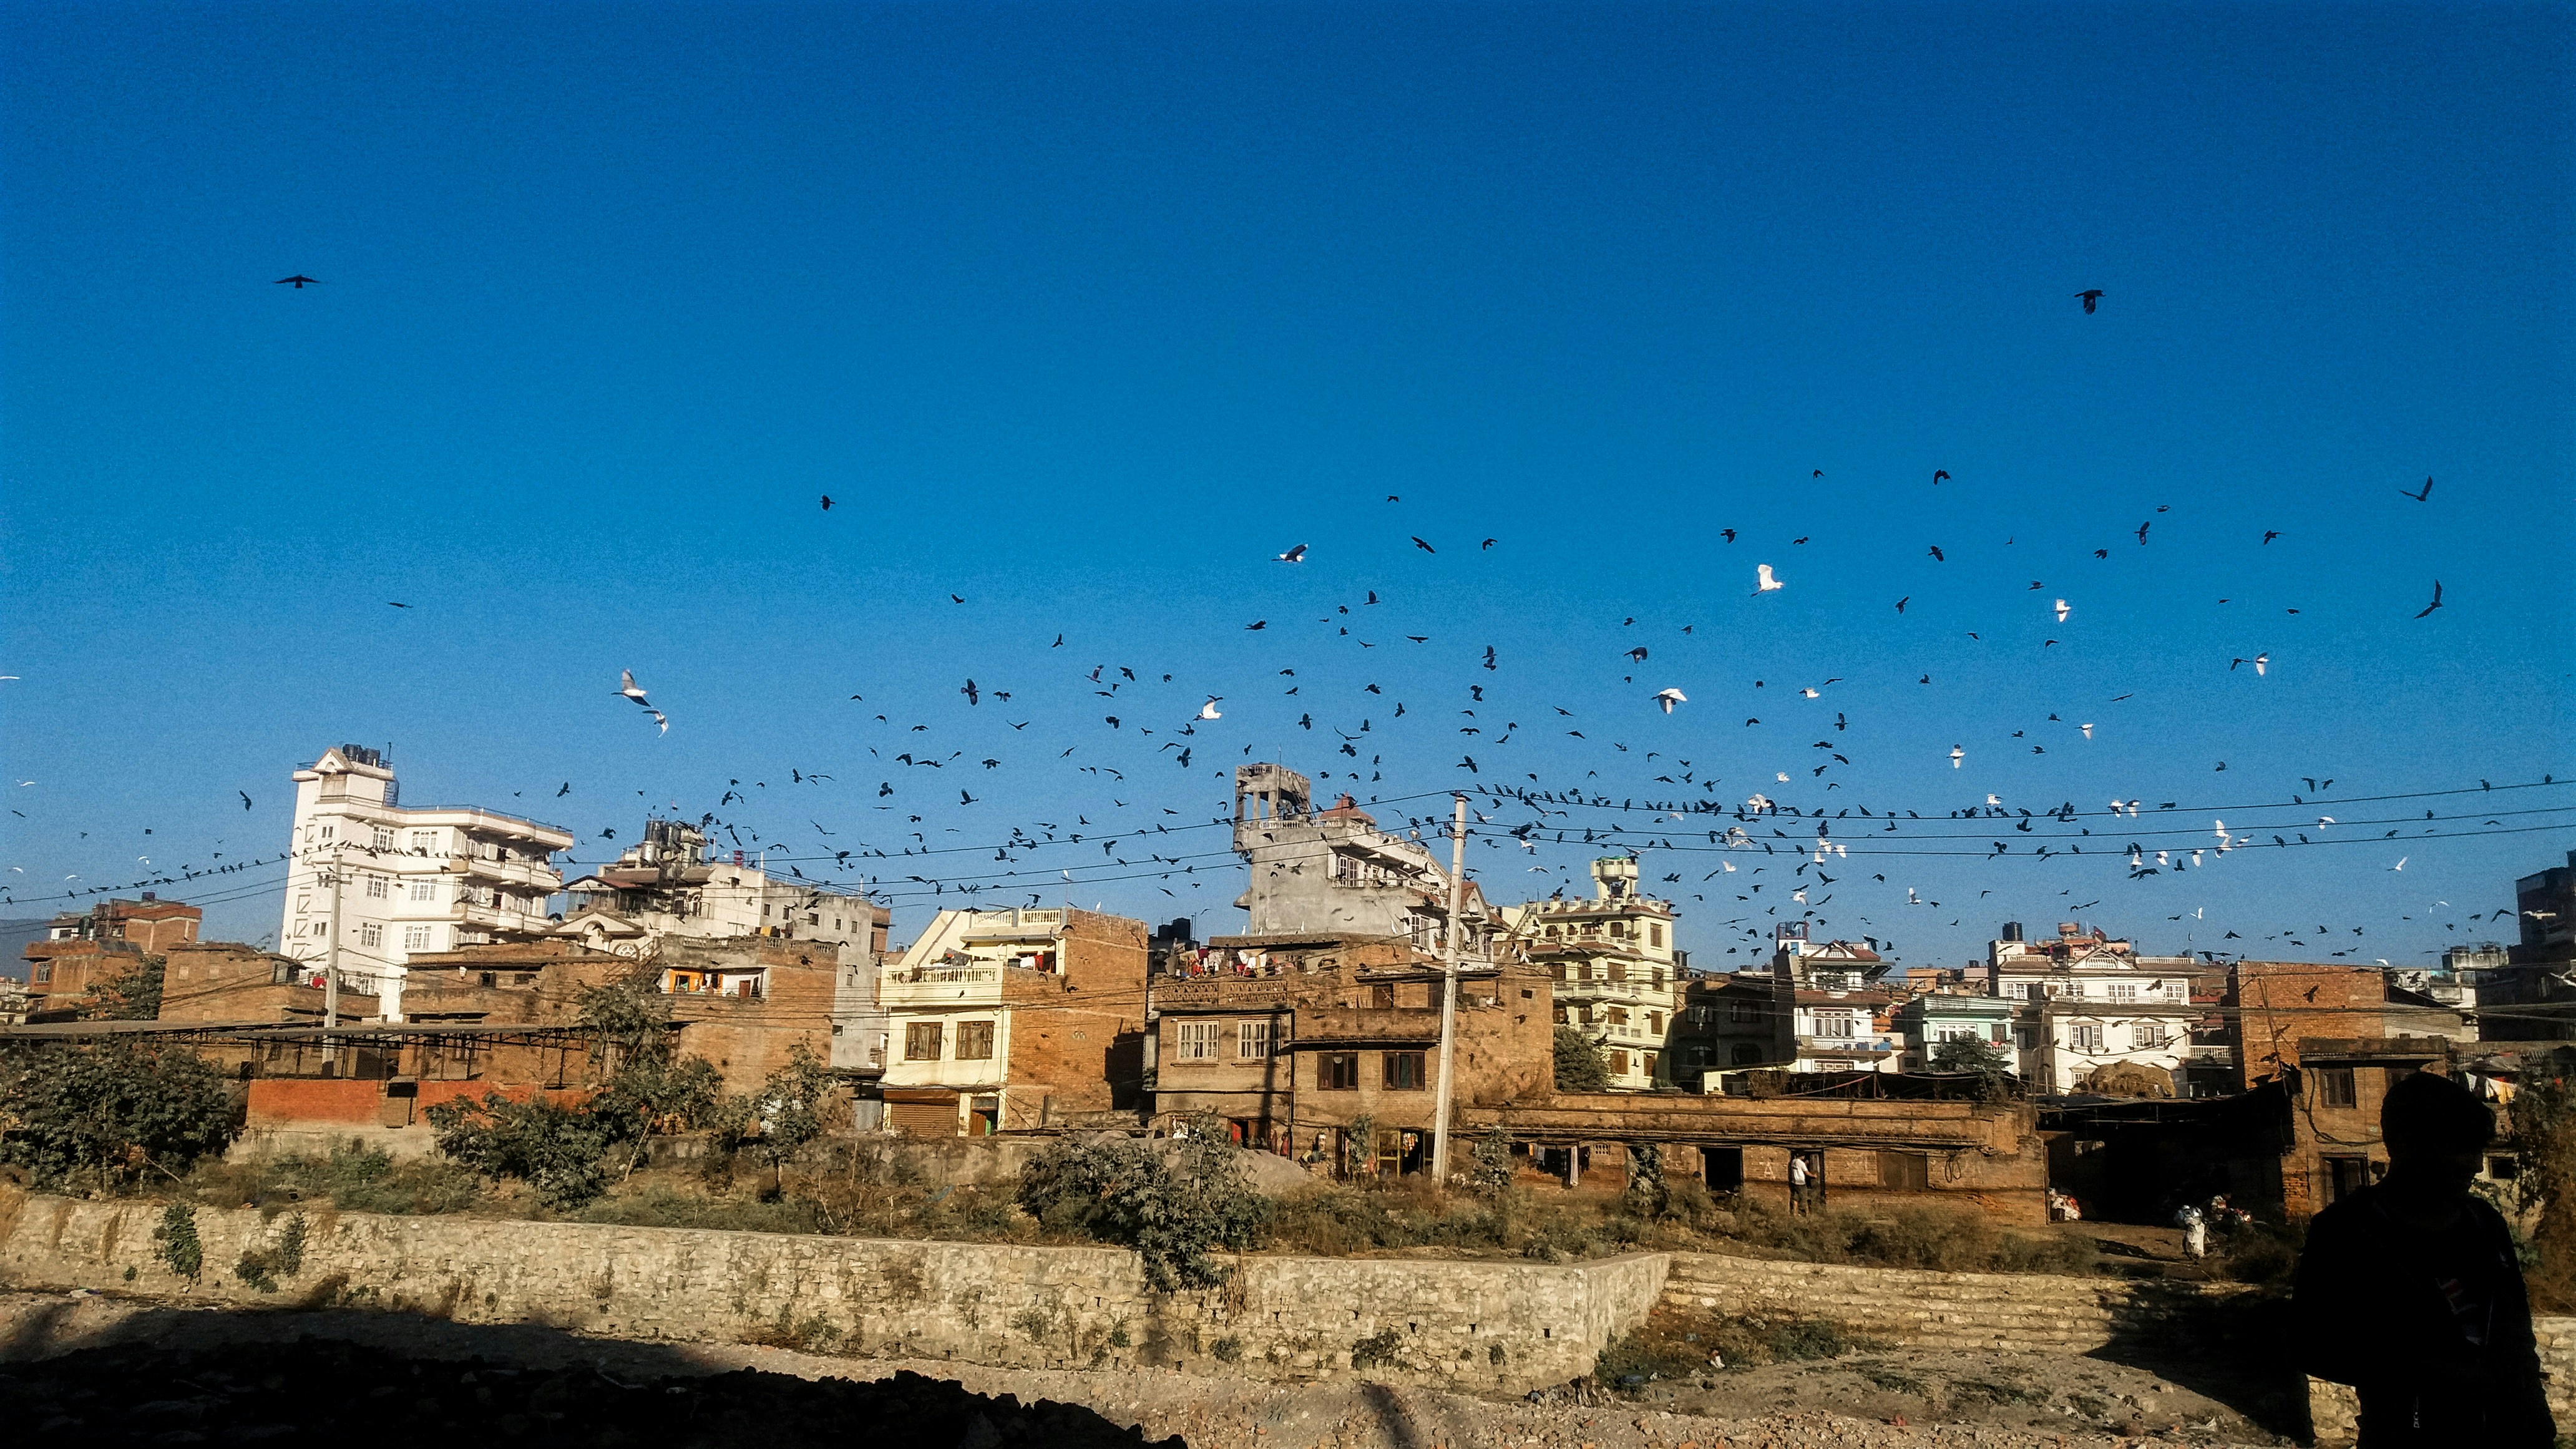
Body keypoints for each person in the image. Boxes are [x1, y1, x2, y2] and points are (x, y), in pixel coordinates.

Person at [2293, 1070, 2554, 1447]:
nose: (2476, 1165)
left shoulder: (2485, 1224)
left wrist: (2539, 1425)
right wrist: (2430, 1372)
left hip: (2506, 1432)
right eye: (2460, 1148)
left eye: (2478, 1149)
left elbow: (2516, 1336)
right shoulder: (2346, 1232)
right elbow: (2311, 1346)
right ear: (2407, 1144)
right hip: (2404, 1435)